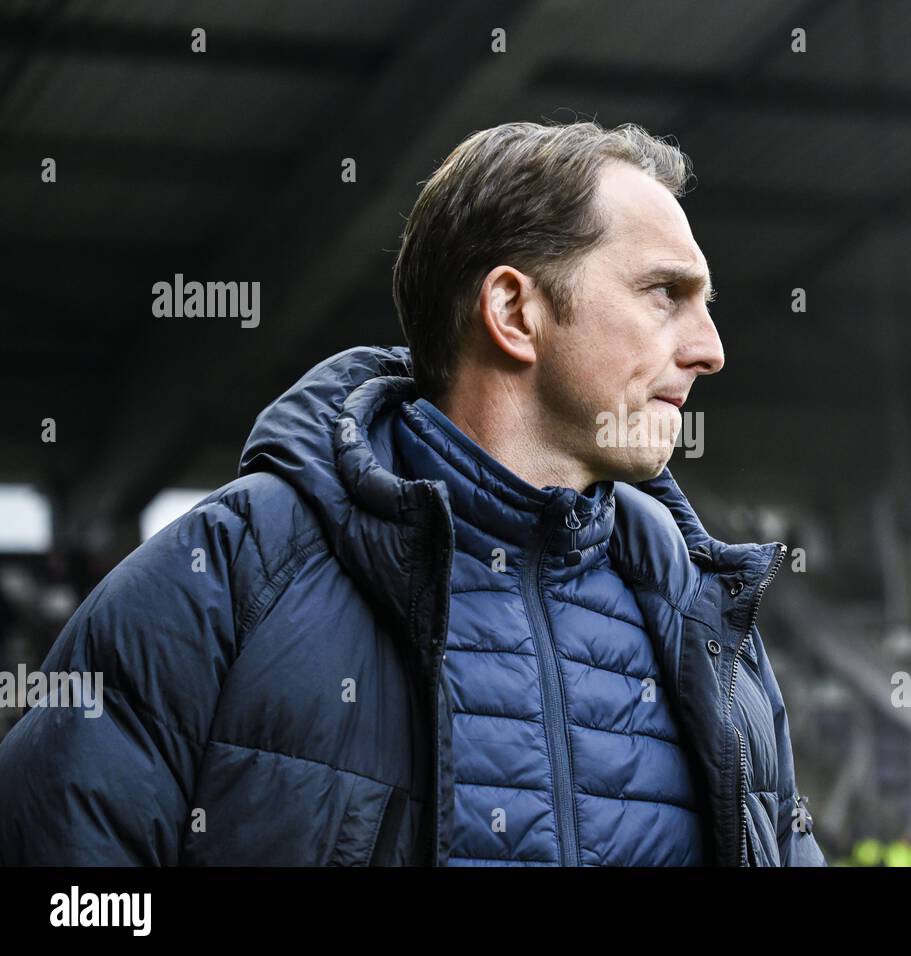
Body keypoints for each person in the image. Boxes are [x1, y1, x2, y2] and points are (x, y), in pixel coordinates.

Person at [0, 120, 825, 867]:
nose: (710, 349)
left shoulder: (707, 625)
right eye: (665, 294)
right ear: (513, 310)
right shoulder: (221, 582)